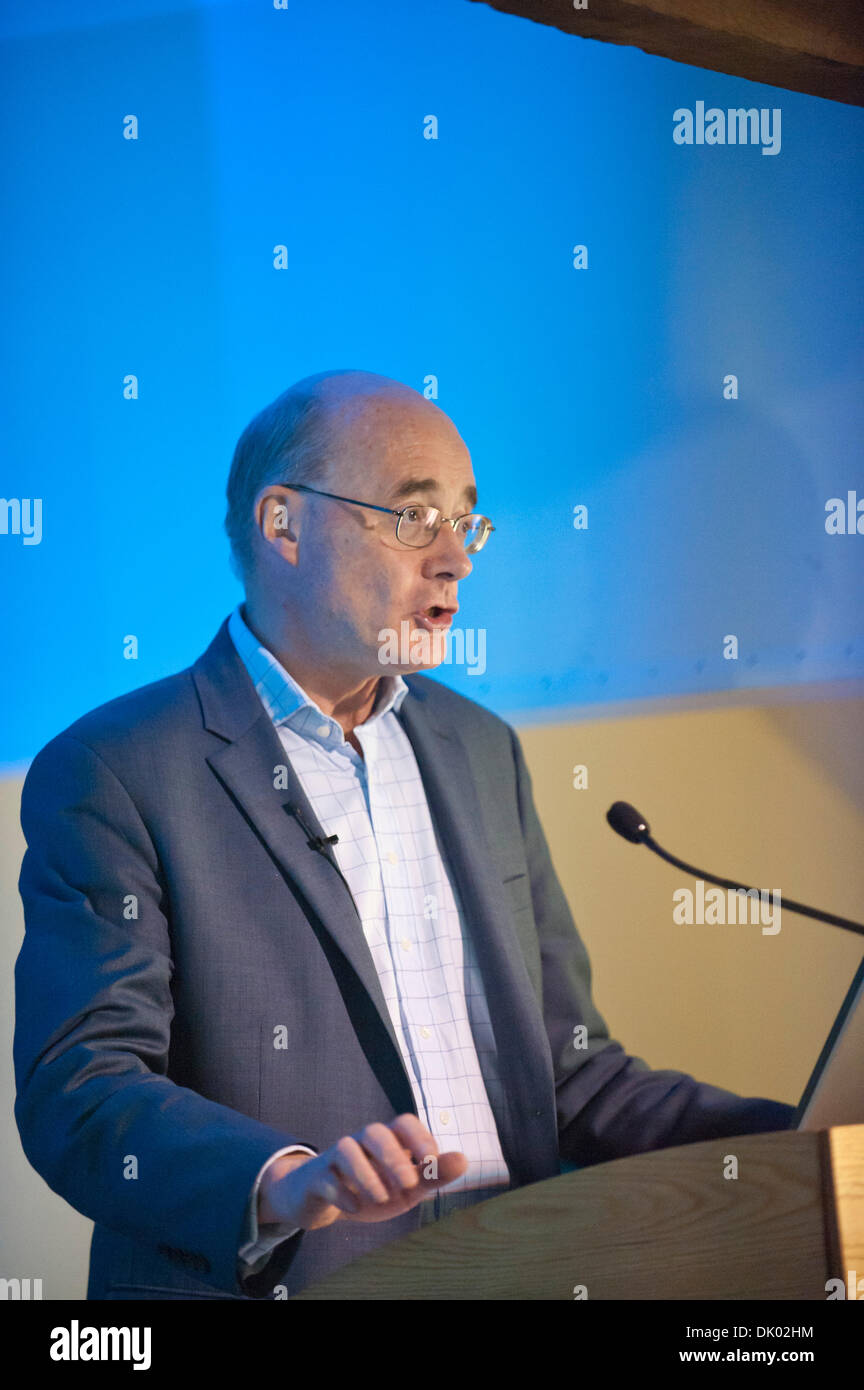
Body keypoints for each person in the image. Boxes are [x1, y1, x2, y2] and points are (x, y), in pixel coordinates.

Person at [14, 369, 795, 1301]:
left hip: (523, 1269)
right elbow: (84, 1091)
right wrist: (284, 1180)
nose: (456, 557)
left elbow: (571, 1076)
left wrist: (813, 1138)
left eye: (467, 522)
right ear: (283, 524)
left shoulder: (479, 749)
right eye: (415, 516)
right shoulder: (119, 768)